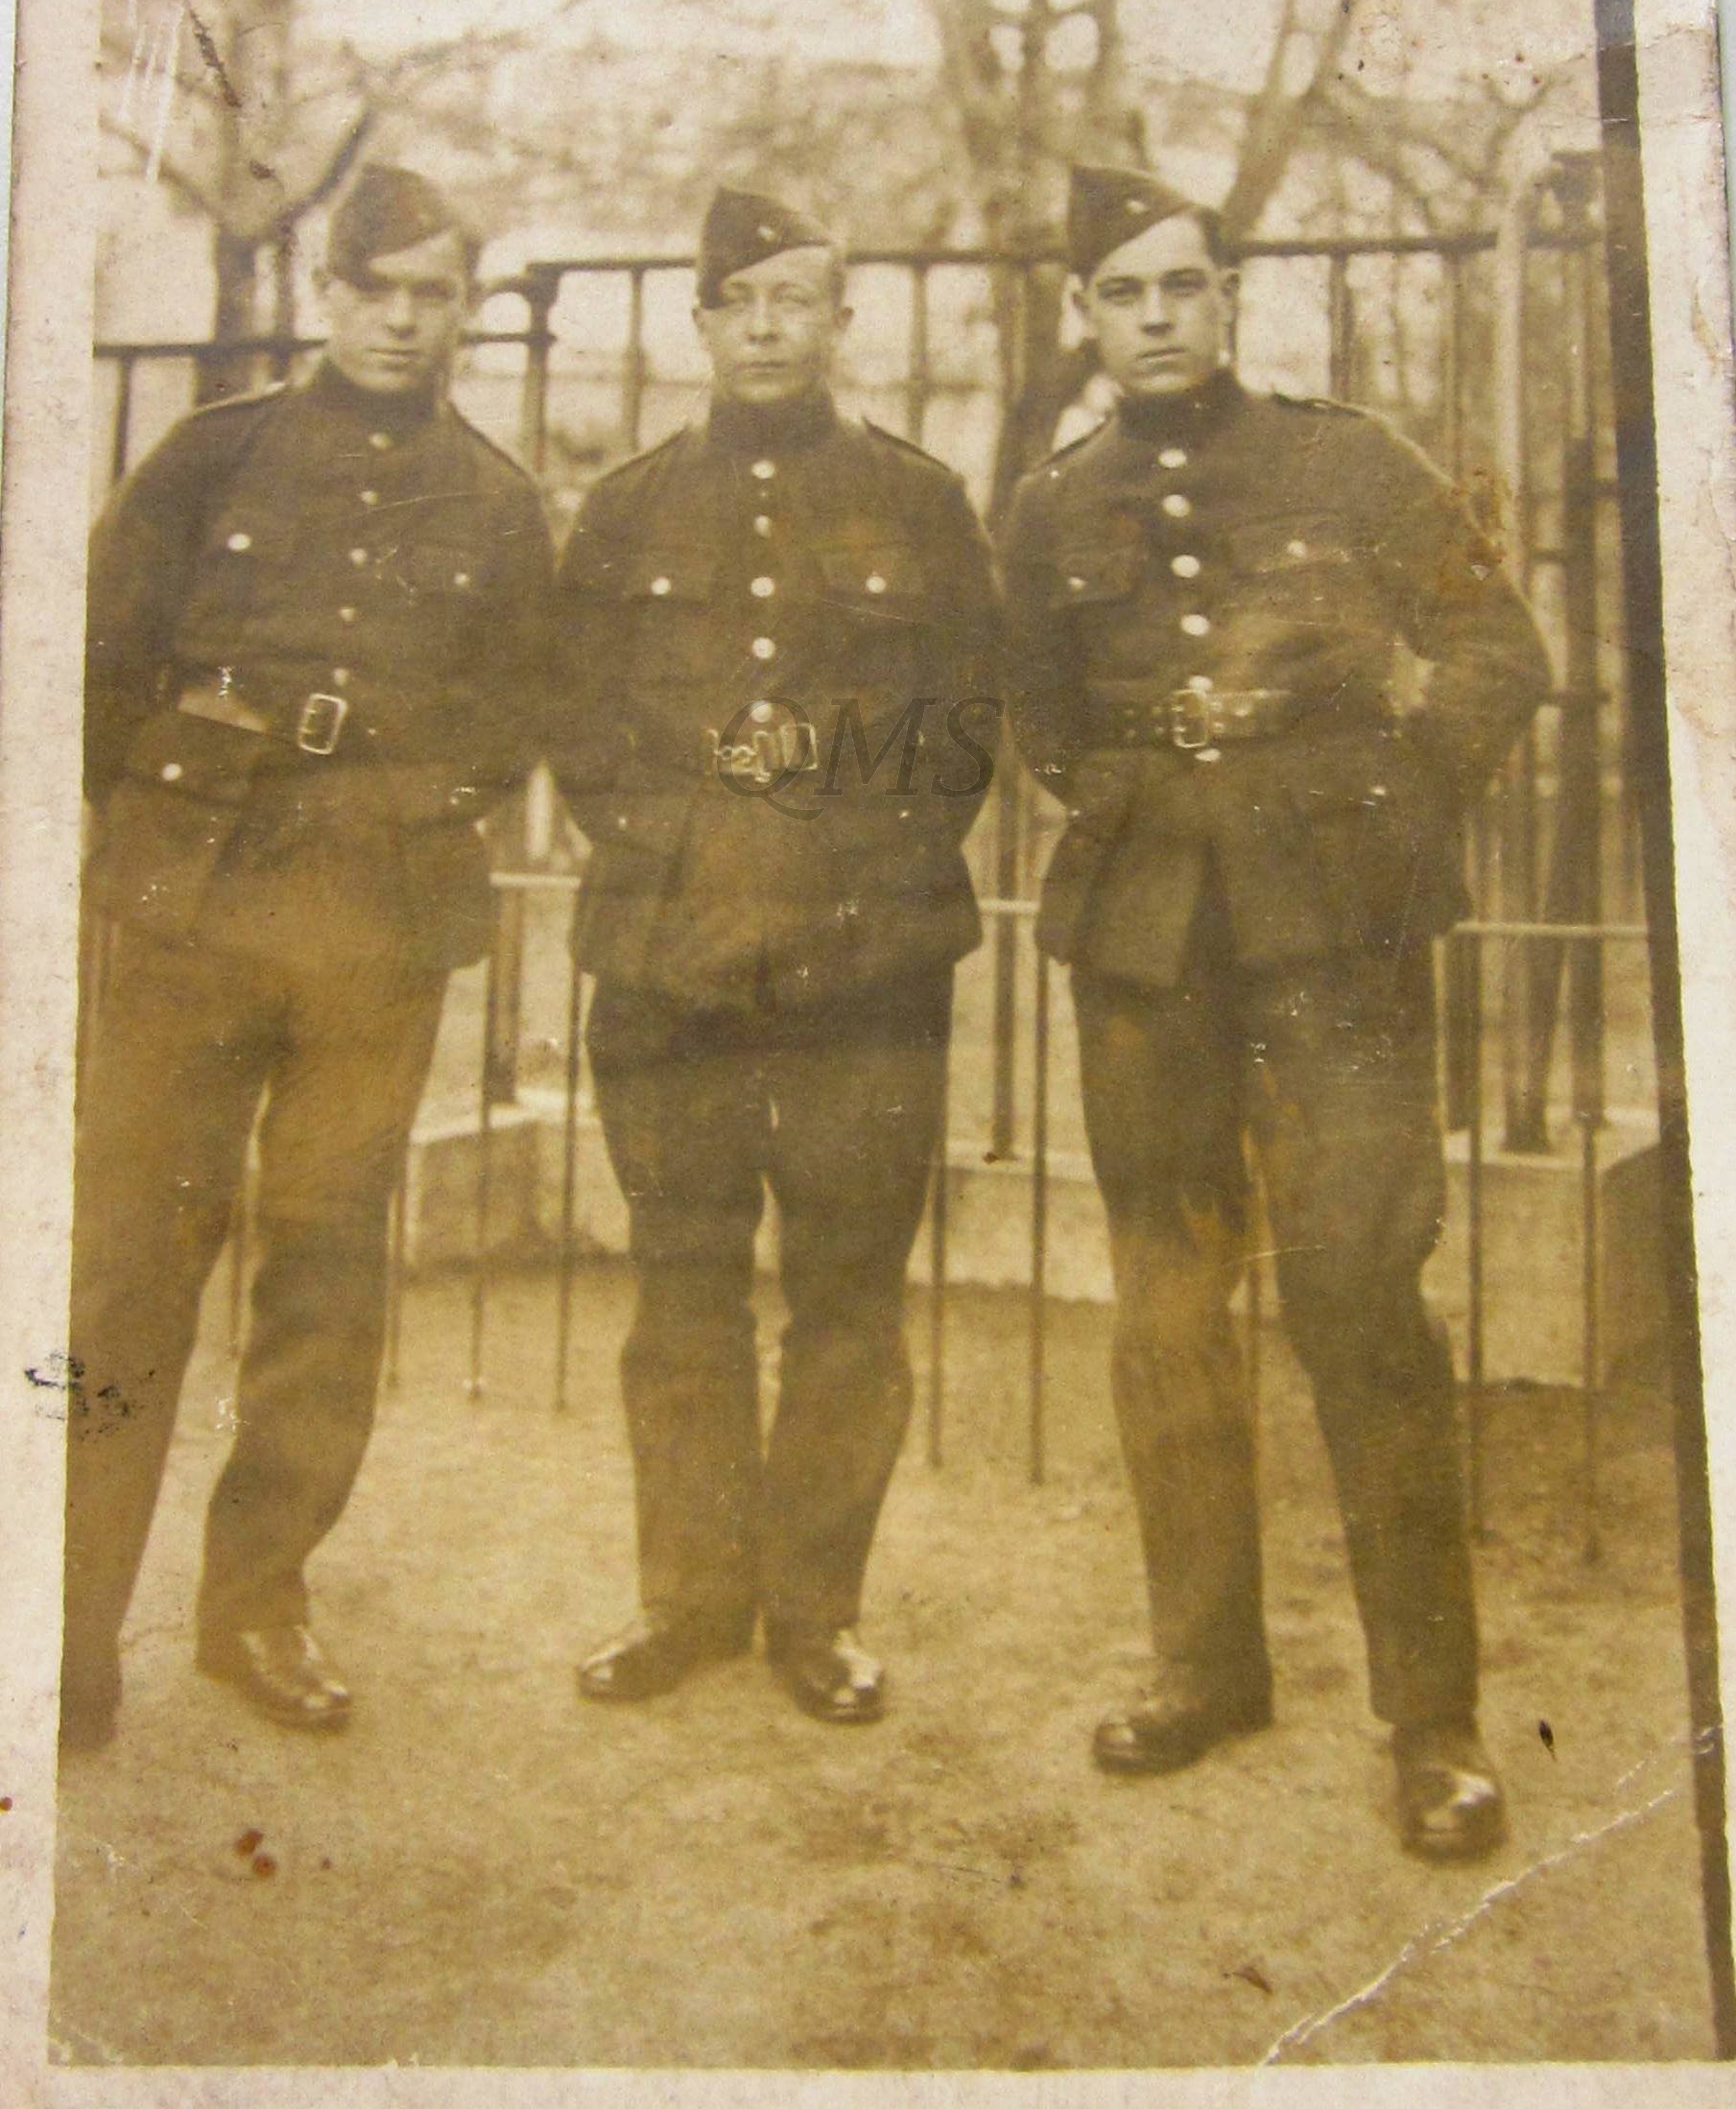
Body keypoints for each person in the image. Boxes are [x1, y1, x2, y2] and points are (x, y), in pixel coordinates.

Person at [1000, 162, 1551, 1860]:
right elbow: (1036, 720)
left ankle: (1435, 1722)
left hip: (1339, 942)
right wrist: (1133, 799)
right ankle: (1204, 1665)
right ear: (1084, 320)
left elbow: (1497, 656)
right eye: (1121, 296)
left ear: (1225, 295)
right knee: (1167, 1309)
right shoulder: (1046, 505)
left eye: (1180, 287)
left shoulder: (1350, 460)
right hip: (1148, 952)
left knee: (1361, 1300)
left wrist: (1391, 803)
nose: (1155, 320)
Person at [61, 165, 554, 1748]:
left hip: (369, 931)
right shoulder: (215, 456)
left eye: (435, 296)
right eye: (378, 291)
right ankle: (64, 1631)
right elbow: (87, 670)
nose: (406, 323)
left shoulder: (493, 502)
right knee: (131, 1266)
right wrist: (175, 802)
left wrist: (385, 806)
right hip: (192, 917)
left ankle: (257, 1603)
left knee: (327, 1270)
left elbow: (509, 721)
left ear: (463, 310)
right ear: (327, 297)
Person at [550, 186, 999, 1725]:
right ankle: (687, 1603)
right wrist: (689, 846)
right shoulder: (621, 511)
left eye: (795, 301)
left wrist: (823, 832)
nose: (764, 327)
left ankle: (815, 1616)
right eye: (738, 302)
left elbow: (961, 733)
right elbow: (579, 730)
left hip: (863, 965)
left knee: (847, 1295)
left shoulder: (921, 503)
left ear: (835, 319)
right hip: (668, 960)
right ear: (698, 321)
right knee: (679, 1290)